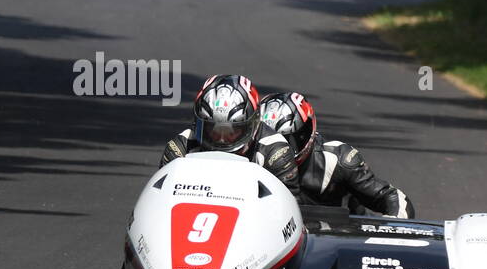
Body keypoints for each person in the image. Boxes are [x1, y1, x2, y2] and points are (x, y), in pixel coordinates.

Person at [259, 91, 413, 217]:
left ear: (305, 134)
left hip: (340, 241)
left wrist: (392, 227)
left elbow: (392, 197)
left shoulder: (339, 159)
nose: (278, 147)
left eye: (287, 140)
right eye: (268, 137)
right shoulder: (249, 160)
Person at [159, 74, 299, 196]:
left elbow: (288, 206)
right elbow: (161, 196)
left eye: (232, 132)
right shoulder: (181, 147)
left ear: (252, 124)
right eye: (213, 131)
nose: (221, 139)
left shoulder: (275, 152)